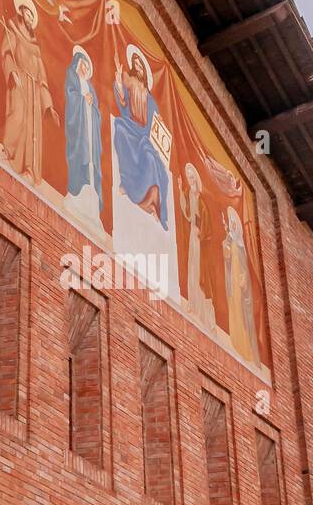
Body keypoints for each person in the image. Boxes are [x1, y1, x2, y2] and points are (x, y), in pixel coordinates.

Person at [1, 0, 59, 184]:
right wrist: (11, 72)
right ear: (21, 12)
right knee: (17, 115)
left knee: (33, 130)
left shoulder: (36, 47)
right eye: (28, 13)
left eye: (32, 16)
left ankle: (29, 169)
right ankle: (8, 150)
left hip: (34, 88)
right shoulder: (12, 30)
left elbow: (42, 77)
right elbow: (6, 54)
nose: (30, 17)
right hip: (19, 80)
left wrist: (48, 105)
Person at [112, 44, 169, 228]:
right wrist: (120, 83)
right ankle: (126, 183)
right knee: (119, 130)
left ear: (144, 71)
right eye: (134, 64)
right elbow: (122, 105)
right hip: (130, 126)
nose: (137, 67)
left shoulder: (150, 99)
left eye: (139, 65)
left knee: (151, 159)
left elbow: (155, 126)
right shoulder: (130, 85)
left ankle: (152, 204)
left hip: (143, 135)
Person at [64, 46, 103, 222]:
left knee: (91, 162)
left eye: (87, 67)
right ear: (78, 64)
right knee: (78, 156)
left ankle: (90, 201)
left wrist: (91, 105)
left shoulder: (91, 87)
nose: (85, 69)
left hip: (90, 130)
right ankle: (76, 194)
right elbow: (70, 95)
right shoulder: (72, 77)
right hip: (79, 129)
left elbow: (97, 112)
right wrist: (82, 100)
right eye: (83, 65)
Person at [178, 163, 215, 329]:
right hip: (193, 236)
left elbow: (206, 219)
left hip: (199, 238)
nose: (190, 180)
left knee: (199, 270)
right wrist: (180, 190)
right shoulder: (188, 194)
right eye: (189, 177)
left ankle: (200, 308)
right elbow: (186, 212)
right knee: (192, 268)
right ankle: (193, 304)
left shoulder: (201, 198)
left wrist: (202, 231)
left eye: (192, 177)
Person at [223, 206, 261, 366]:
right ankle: (236, 341)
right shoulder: (230, 240)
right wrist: (225, 246)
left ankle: (246, 347)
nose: (232, 224)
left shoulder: (241, 246)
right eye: (230, 222)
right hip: (233, 281)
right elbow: (227, 259)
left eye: (234, 222)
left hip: (241, 284)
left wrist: (245, 279)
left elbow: (246, 268)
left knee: (242, 311)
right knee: (234, 309)